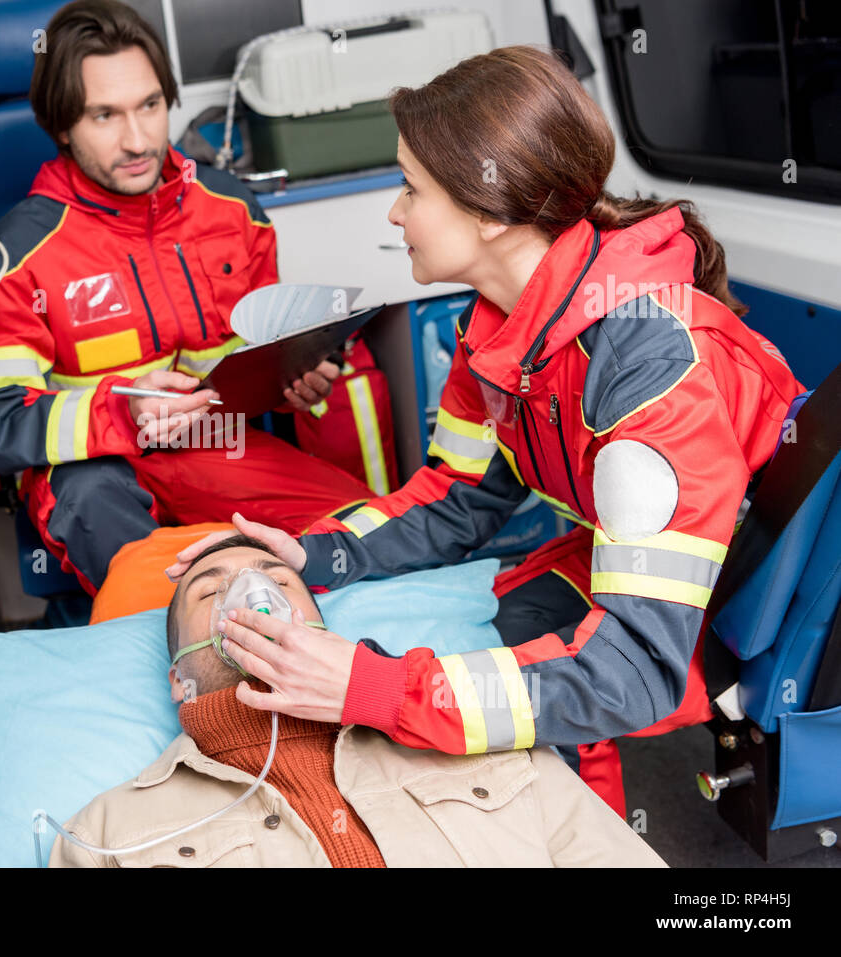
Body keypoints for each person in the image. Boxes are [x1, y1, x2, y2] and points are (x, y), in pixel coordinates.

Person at [165, 45, 806, 817]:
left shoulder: (650, 369)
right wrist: (315, 549)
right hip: (673, 560)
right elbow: (460, 495)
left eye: (411, 188)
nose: (394, 212)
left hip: (759, 594)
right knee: (503, 639)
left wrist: (372, 687)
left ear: (492, 211)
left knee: (514, 689)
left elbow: (634, 667)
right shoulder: (497, 336)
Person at [0, 0, 379, 595]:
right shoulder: (8, 257)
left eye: (149, 106)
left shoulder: (233, 212)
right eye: (104, 116)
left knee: (363, 535)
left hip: (216, 445)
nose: (136, 140)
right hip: (92, 474)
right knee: (163, 596)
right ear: (62, 126)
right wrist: (123, 410)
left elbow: (258, 353)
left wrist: (295, 381)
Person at [49, 536, 666, 867]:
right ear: (176, 677)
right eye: (211, 593)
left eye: (281, 582)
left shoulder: (474, 740)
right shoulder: (108, 834)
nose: (252, 595)